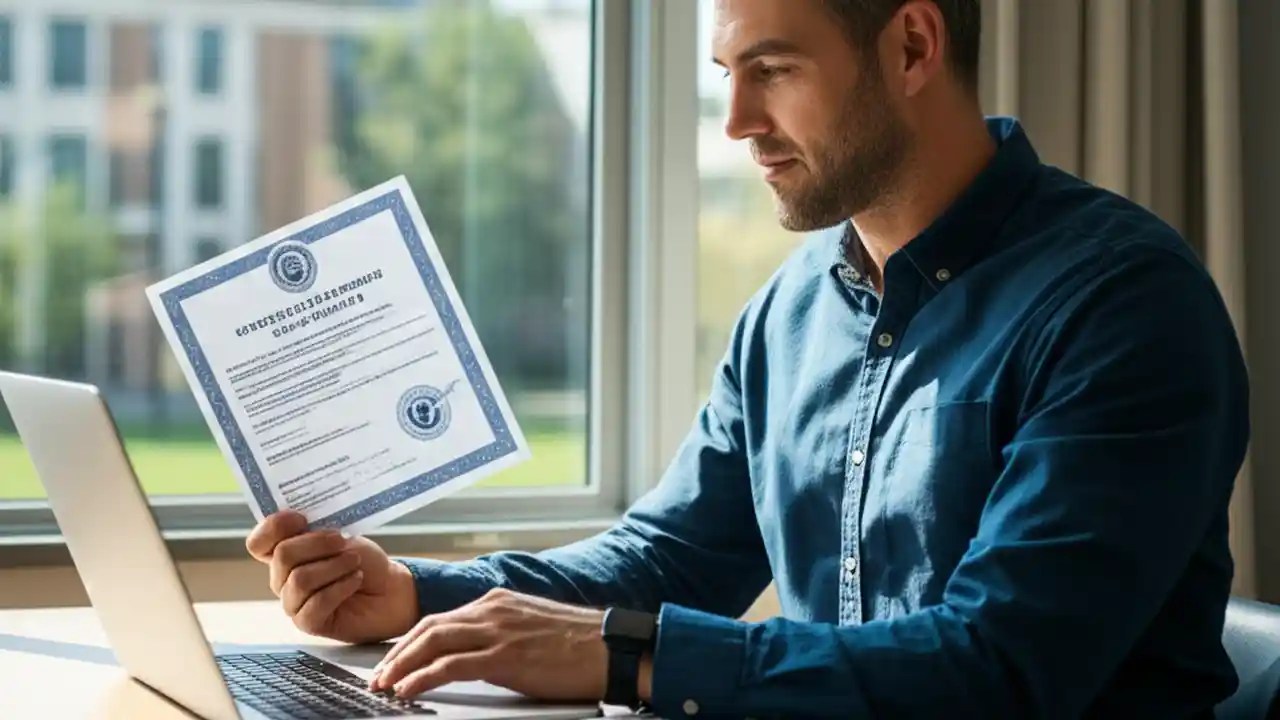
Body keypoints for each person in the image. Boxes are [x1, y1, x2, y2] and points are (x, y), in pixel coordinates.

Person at [244, 0, 1250, 717]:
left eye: (771, 70)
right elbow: (667, 560)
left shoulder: (1120, 304)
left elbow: (1001, 667)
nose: (735, 125)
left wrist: (622, 656)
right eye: (727, 76)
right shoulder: (786, 314)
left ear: (910, 45)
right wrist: (414, 594)